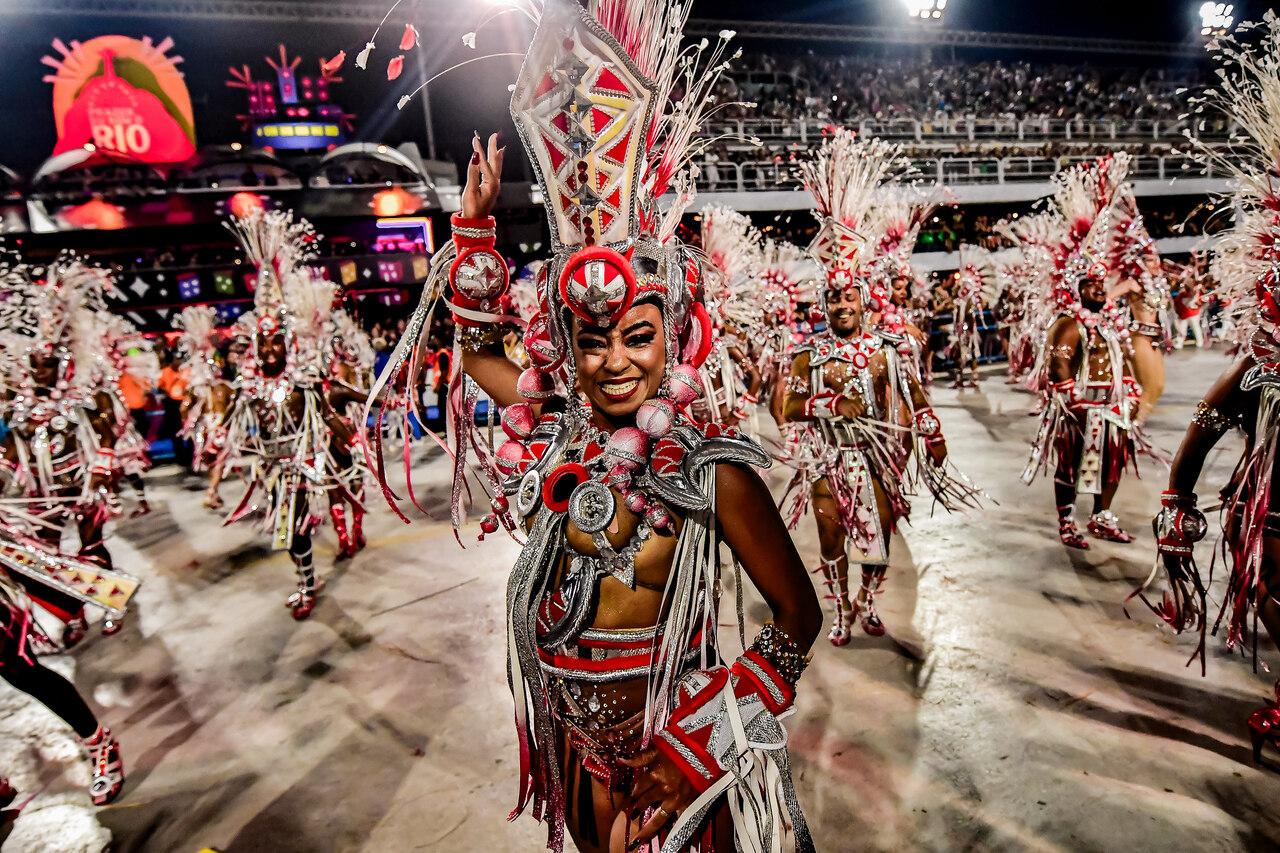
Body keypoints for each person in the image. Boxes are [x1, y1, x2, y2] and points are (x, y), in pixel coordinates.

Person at [362, 3, 821, 849]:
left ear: (673, 338)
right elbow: (476, 353)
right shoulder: (555, 432)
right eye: (592, 338)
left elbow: (797, 619)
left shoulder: (710, 472)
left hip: (675, 748)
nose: (614, 360)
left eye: (637, 336)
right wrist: (473, 224)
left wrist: (701, 744)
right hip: (573, 747)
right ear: (565, 344)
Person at [783, 129, 983, 645]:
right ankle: (841, 610)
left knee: (880, 541)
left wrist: (932, 432)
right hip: (830, 460)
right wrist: (829, 403)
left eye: (849, 299)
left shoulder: (887, 350)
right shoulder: (809, 353)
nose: (841, 307)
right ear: (824, 306)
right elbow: (786, 403)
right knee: (831, 537)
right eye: (833, 301)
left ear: (863, 303)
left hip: (877, 460)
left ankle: (869, 600)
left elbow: (915, 396)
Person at [217, 211, 370, 619]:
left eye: (275, 344)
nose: (269, 352)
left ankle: (307, 583)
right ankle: (307, 578)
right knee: (287, 532)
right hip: (272, 471)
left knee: (295, 527)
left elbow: (328, 412)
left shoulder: (306, 381)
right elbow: (237, 427)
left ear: (288, 344)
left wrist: (348, 438)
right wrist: (232, 446)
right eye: (263, 345)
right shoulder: (249, 387)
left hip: (304, 467)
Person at [1021, 155, 1142, 549]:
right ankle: (1067, 522)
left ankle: (1102, 516)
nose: (1098, 290)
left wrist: (1130, 391)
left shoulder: (1109, 322)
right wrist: (1073, 399)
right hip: (1079, 409)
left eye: (1101, 284)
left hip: (1111, 407)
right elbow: (1057, 362)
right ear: (1077, 288)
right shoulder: (1067, 322)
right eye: (1090, 285)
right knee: (1071, 466)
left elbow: (1124, 356)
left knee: (1112, 462)